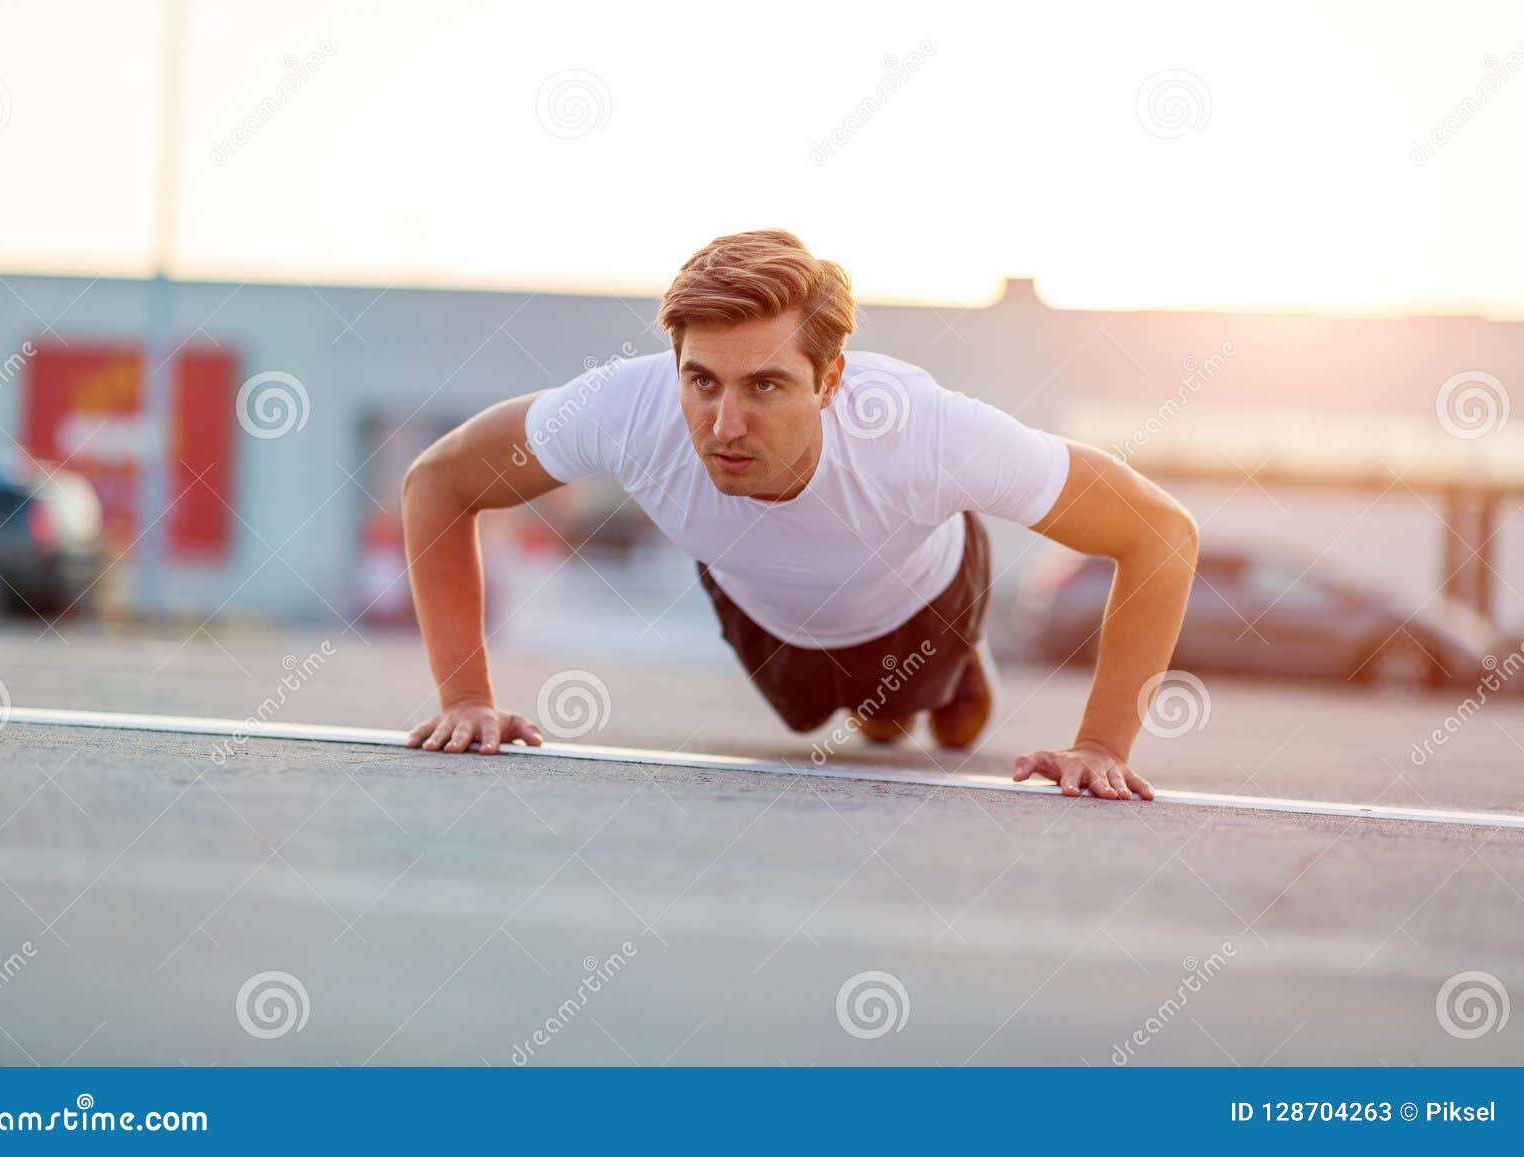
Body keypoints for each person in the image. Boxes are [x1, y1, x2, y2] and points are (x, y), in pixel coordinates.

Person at [401, 229, 1198, 801]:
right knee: (810, 718)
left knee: (923, 709)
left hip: (920, 604)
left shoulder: (923, 430)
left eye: (766, 385)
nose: (725, 425)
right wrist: (465, 698)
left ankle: (953, 679)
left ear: (830, 379)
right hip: (766, 616)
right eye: (702, 381)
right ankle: (879, 710)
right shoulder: (622, 408)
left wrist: (1101, 744)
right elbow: (437, 482)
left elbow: (1159, 533)